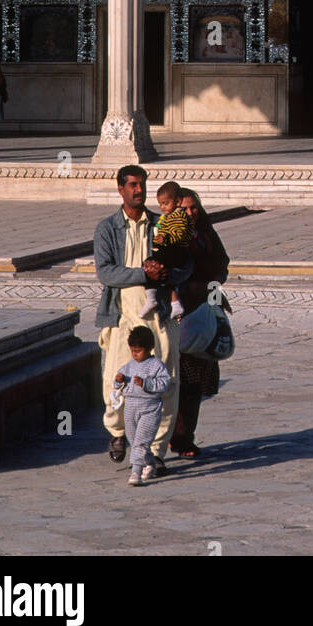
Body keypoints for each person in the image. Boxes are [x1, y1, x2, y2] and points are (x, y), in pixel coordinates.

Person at [93, 165, 193, 471]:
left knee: (166, 381)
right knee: (116, 379)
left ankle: (156, 450)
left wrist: (166, 273)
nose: (139, 190)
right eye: (133, 185)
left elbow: (186, 262)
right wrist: (142, 273)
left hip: (159, 314)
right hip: (123, 314)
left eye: (142, 185)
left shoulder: (162, 223)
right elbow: (105, 271)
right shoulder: (108, 228)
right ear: (120, 188)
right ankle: (118, 432)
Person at [169, 188, 230, 460]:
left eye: (195, 208)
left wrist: (213, 284)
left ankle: (185, 435)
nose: (191, 213)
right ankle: (176, 437)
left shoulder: (206, 231)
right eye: (185, 209)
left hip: (204, 309)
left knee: (195, 383)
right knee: (181, 381)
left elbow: (222, 262)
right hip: (181, 311)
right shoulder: (172, 236)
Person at [113, 325, 172, 486]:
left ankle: (136, 471)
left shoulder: (157, 366)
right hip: (130, 407)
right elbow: (118, 385)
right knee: (134, 440)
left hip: (150, 408)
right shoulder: (128, 366)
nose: (135, 354)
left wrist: (146, 383)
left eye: (138, 351)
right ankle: (150, 463)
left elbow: (164, 384)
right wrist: (118, 381)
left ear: (149, 348)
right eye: (132, 351)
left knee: (141, 441)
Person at [140, 182, 195, 320]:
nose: (162, 207)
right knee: (152, 266)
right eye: (160, 204)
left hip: (176, 250)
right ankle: (171, 302)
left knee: (156, 266)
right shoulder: (167, 216)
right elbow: (161, 227)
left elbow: (179, 233)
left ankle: (155, 299)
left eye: (165, 203)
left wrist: (166, 237)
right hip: (168, 248)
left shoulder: (180, 216)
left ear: (177, 202)